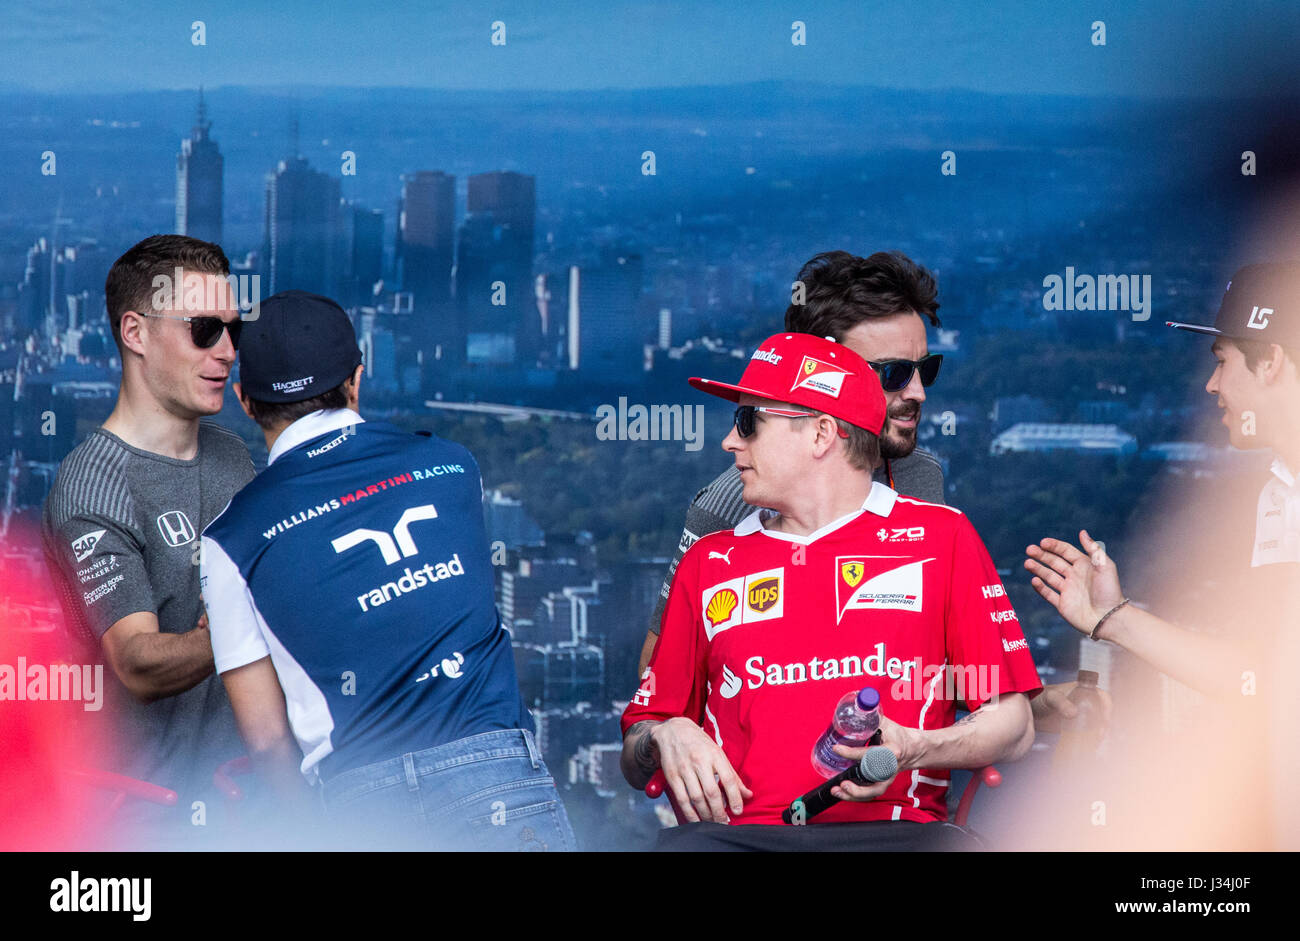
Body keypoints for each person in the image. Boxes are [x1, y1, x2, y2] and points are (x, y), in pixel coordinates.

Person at [639, 250, 1091, 735]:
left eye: (926, 369)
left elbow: (918, 662)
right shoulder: (733, 500)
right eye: (894, 373)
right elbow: (661, 678)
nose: (918, 392)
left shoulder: (921, 478)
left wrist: (1035, 709)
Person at [621, 332, 1042, 850]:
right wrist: (665, 734)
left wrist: (915, 747)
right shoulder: (708, 560)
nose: (731, 442)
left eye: (750, 421)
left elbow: (1015, 725)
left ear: (822, 434)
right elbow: (636, 749)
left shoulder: (942, 537)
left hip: (896, 835)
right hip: (736, 838)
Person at [199, 290, 575, 851]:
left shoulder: (229, 540)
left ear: (245, 402)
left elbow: (270, 743)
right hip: (497, 779)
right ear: (357, 378)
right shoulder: (452, 465)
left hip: (364, 810)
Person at [41, 234, 254, 841]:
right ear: (135, 334)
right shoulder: (93, 490)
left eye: (235, 331)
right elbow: (137, 664)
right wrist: (255, 612)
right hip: (145, 826)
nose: (228, 351)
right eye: (204, 330)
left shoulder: (231, 455)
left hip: (247, 810)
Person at [1023, 262, 1299, 697]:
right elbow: (1258, 675)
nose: (1212, 385)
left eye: (1222, 362)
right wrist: (1112, 617)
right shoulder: (1279, 494)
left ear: (1269, 363)